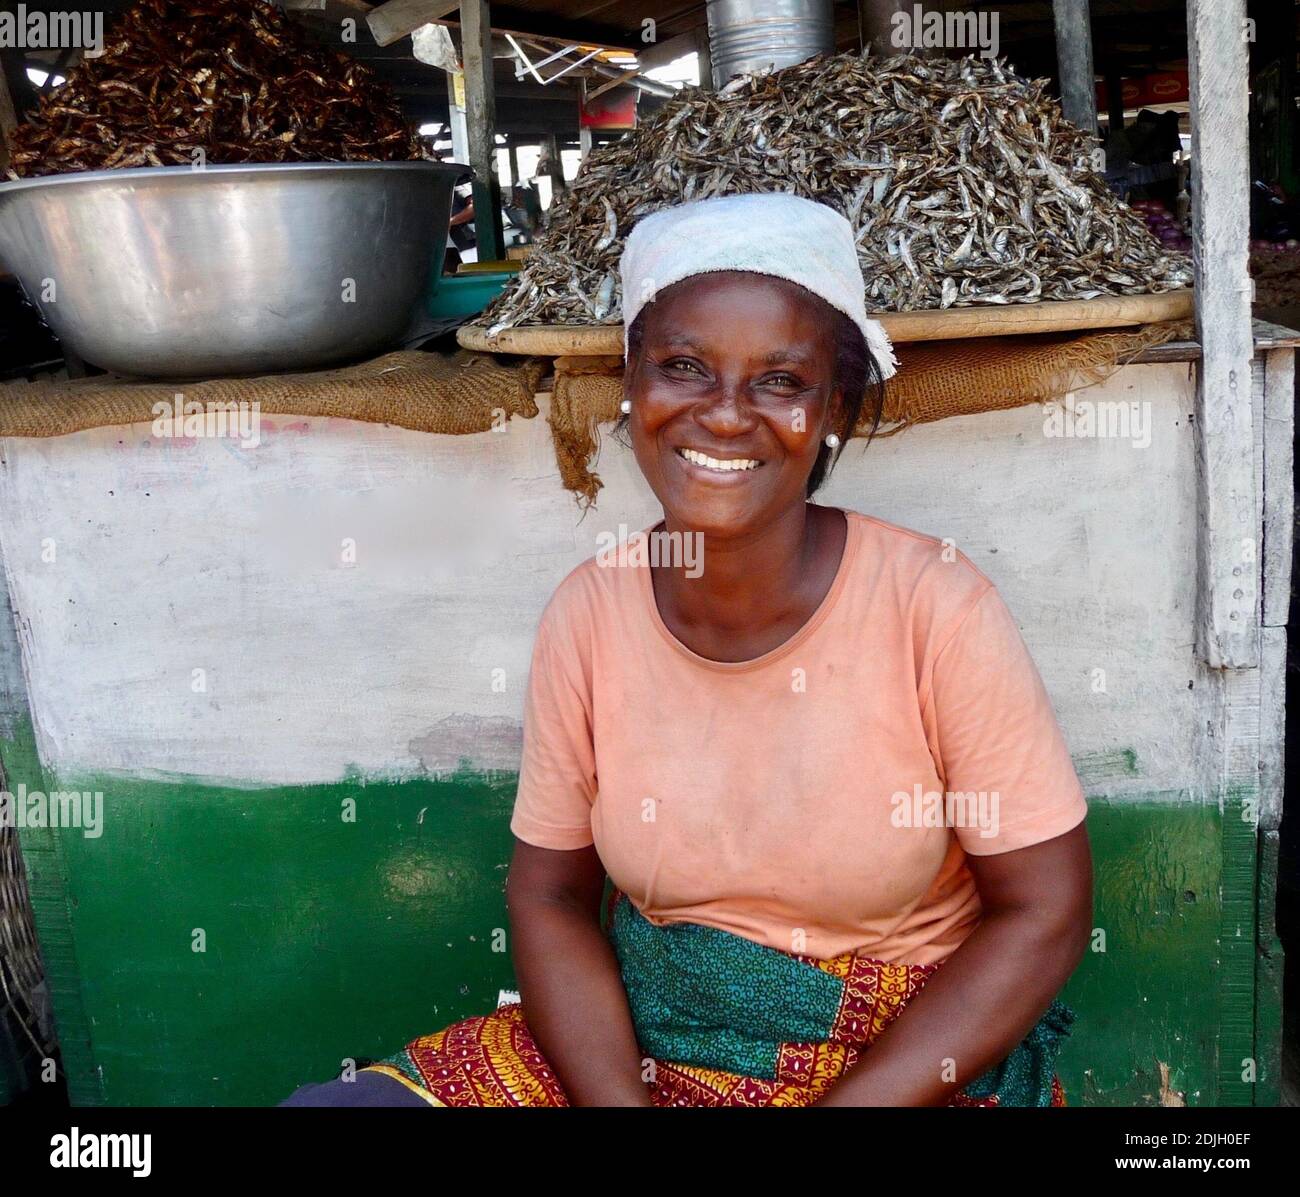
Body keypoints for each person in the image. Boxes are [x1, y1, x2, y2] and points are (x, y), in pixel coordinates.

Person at [282, 193, 1092, 1108]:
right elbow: (550, 898)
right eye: (683, 367)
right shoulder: (590, 613)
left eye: (780, 380)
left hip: (890, 1069)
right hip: (651, 1042)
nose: (726, 415)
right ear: (631, 383)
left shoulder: (935, 605)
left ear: (833, 407)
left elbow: (1045, 910)